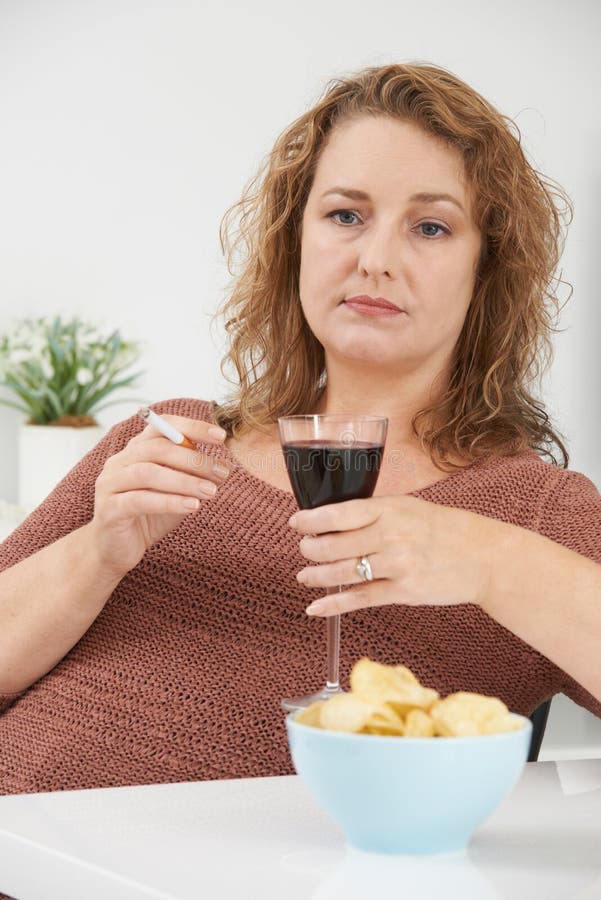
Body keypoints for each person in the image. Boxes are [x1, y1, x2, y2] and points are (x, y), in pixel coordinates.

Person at [0, 62, 600, 798]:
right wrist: (98, 552)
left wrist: (496, 562)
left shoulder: (539, 512)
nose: (375, 261)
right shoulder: (172, 440)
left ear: (487, 269)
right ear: (295, 241)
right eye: (345, 215)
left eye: (431, 227)